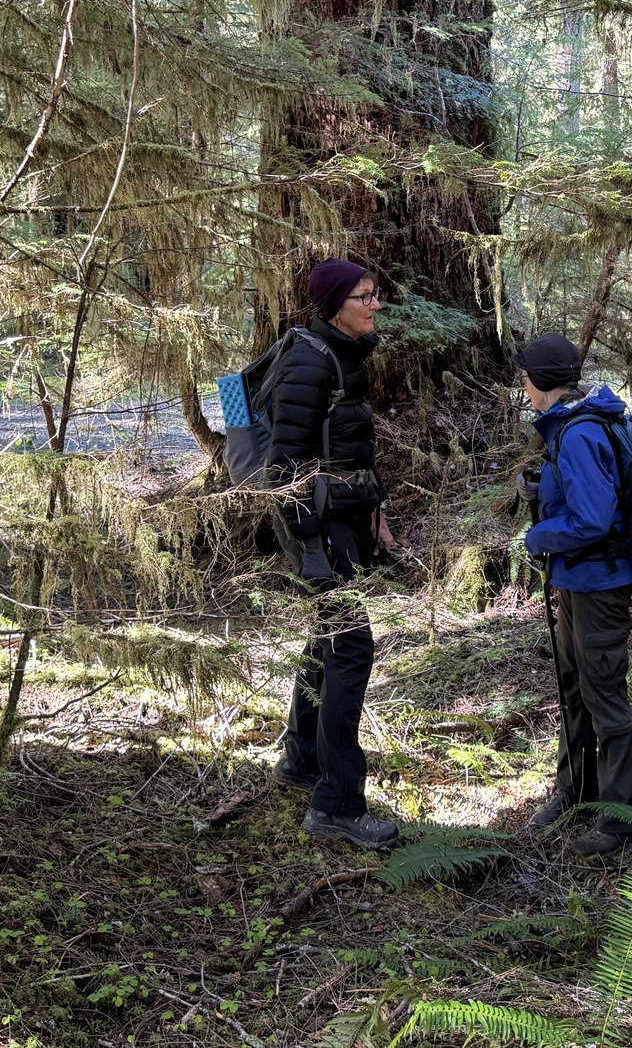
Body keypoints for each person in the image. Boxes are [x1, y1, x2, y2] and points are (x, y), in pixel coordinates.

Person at [269, 258, 400, 850]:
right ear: (334, 305)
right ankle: (338, 804)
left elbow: (351, 449)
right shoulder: (308, 361)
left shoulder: (348, 355)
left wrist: (377, 514)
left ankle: (301, 760)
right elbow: (284, 464)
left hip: (344, 522)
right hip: (319, 529)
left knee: (329, 640)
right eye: (364, 297)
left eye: (376, 295)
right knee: (351, 648)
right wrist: (311, 542)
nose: (375, 305)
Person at [514, 333, 632, 858]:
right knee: (574, 686)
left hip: (598, 582)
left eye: (526, 376)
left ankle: (623, 817)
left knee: (603, 694)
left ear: (542, 382)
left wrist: (537, 535)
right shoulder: (568, 428)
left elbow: (591, 519)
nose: (522, 384)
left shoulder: (578, 432)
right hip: (575, 579)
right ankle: (576, 789)